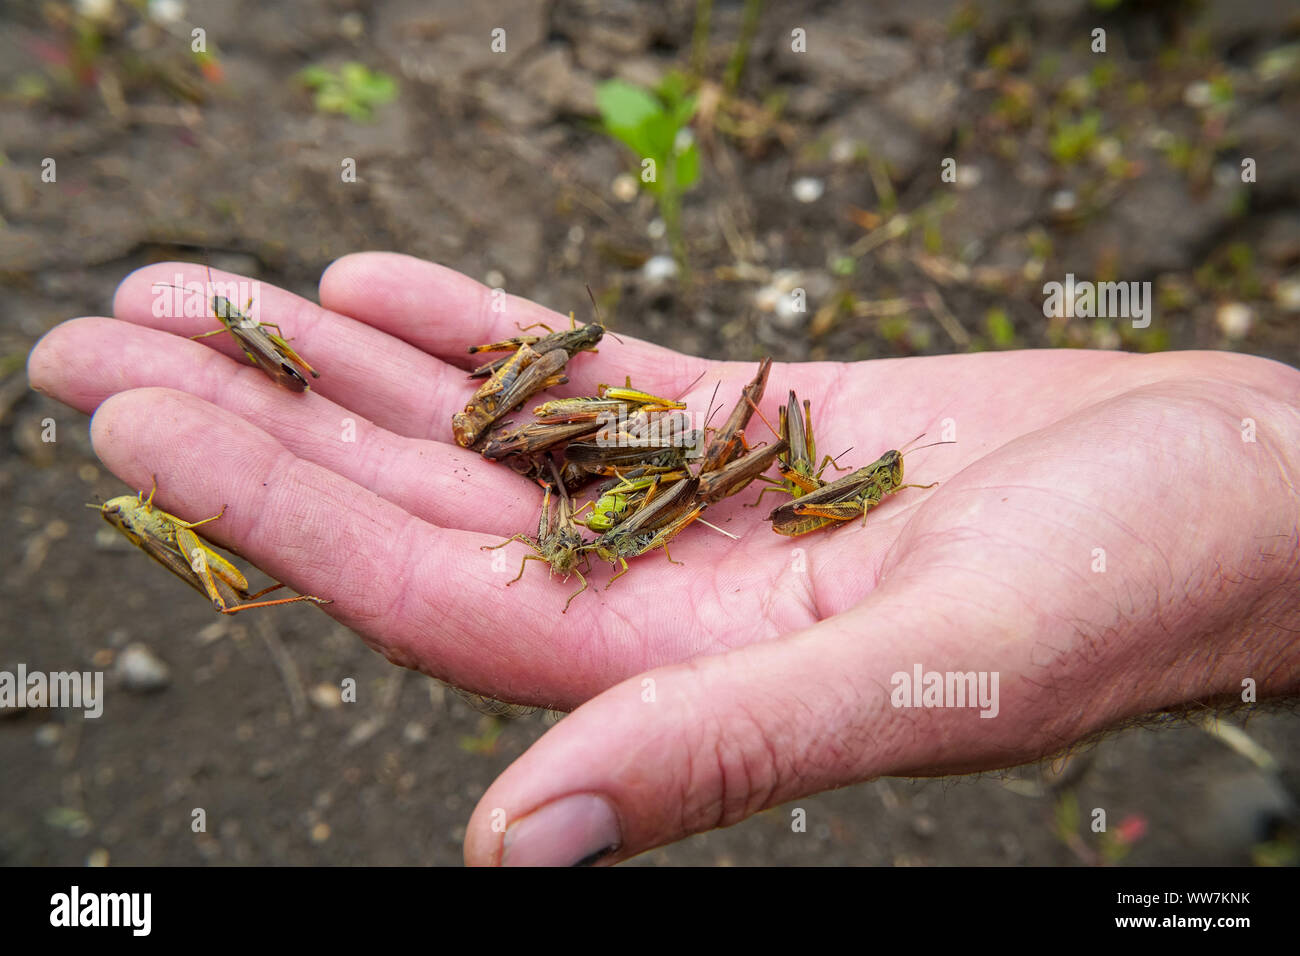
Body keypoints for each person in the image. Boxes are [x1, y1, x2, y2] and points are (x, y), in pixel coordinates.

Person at [28, 252, 1300, 866]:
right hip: (617, 467)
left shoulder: (714, 484)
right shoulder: (587, 474)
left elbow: (647, 501)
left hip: (657, 472)